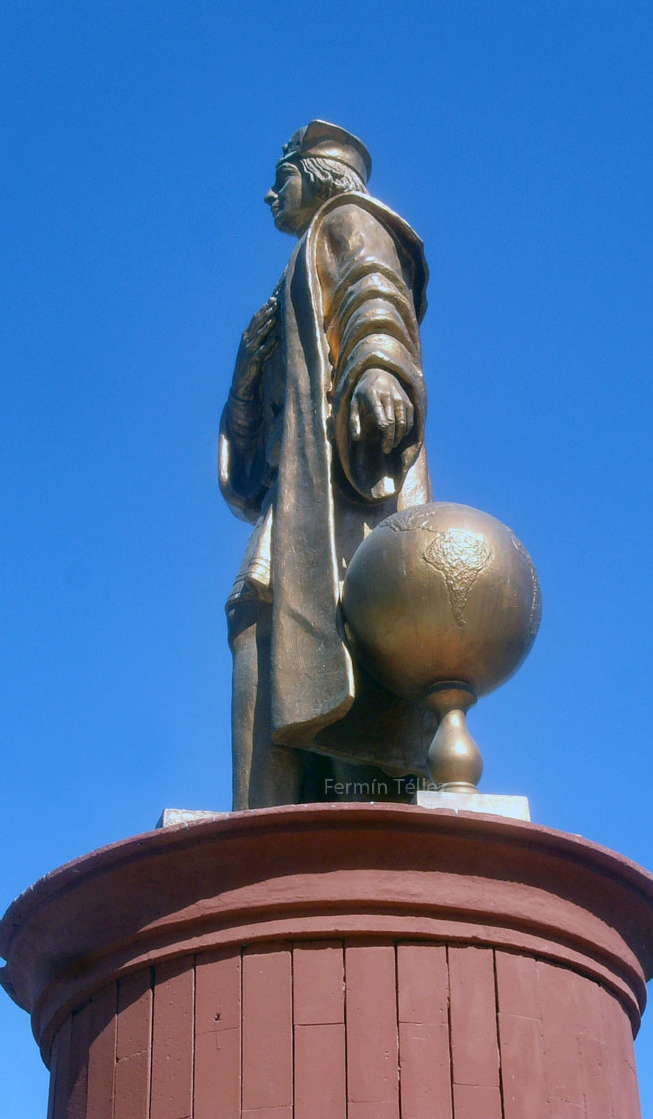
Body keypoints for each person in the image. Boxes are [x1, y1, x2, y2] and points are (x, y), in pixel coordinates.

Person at [218, 121, 436, 808]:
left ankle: (343, 811)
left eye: (280, 177)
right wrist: (246, 380)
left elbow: (373, 293)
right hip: (300, 488)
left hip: (347, 486)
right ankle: (265, 813)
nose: (267, 194)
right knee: (260, 612)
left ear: (314, 175)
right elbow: (248, 459)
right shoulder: (289, 279)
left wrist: (378, 368)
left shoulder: (346, 220)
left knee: (337, 626)